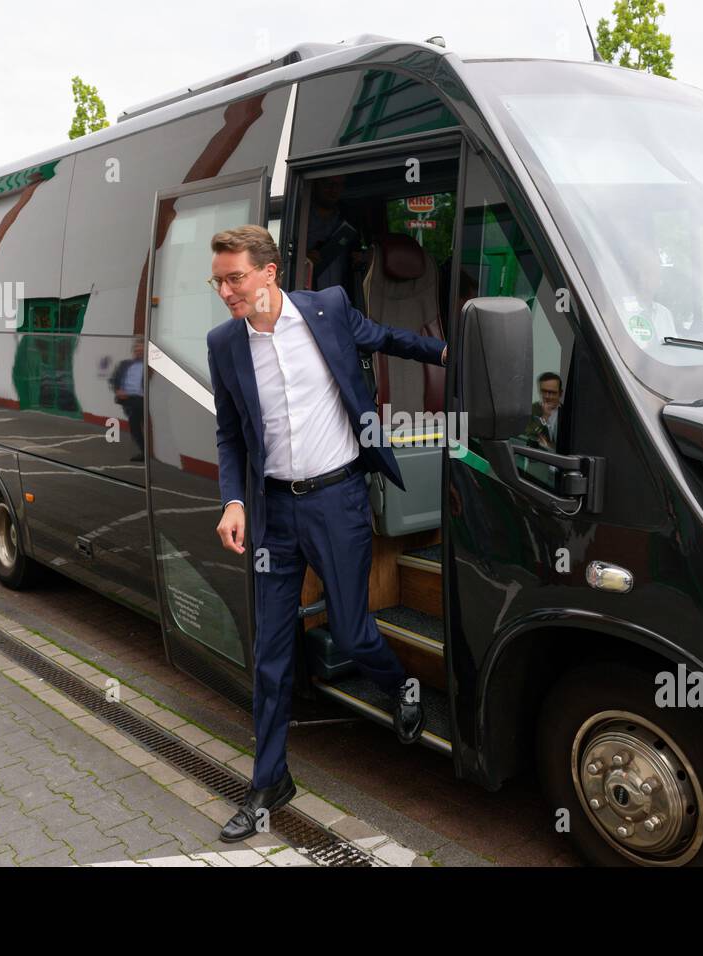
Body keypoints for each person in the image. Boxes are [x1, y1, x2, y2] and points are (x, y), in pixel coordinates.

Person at [205, 225, 447, 842]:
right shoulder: (225, 344)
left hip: (337, 500)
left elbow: (386, 338)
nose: (226, 290)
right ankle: (269, 779)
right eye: (218, 280)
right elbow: (231, 434)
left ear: (269, 273)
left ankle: (402, 685)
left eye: (235, 278)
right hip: (273, 514)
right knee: (270, 652)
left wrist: (447, 354)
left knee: (352, 629)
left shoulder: (328, 309)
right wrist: (234, 500)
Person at [109, 336, 147, 461]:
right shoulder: (125, 364)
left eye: (141, 349)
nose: (139, 351)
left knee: (135, 421)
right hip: (127, 398)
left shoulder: (150, 366)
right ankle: (143, 451)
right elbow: (113, 379)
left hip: (142, 399)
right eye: (137, 349)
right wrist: (117, 389)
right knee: (134, 424)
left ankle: (145, 452)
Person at [524, 372, 562, 450]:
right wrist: (544, 417)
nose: (547, 396)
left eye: (552, 392)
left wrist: (550, 446)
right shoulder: (532, 409)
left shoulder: (570, 413)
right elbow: (526, 436)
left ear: (560, 393)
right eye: (544, 391)